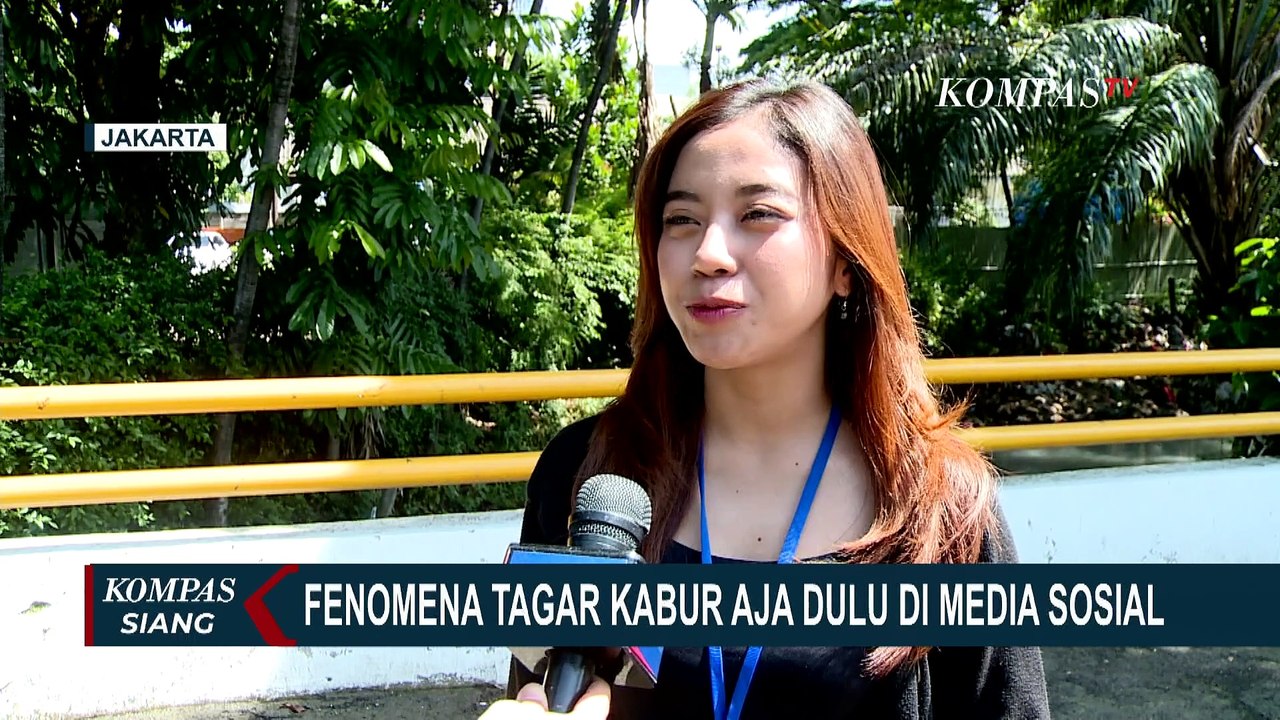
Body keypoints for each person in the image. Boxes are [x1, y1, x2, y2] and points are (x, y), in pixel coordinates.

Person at [503, 78, 1052, 719]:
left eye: (757, 214)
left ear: (847, 261)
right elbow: (534, 694)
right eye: (681, 219)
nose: (707, 254)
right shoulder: (586, 473)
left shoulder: (942, 514)